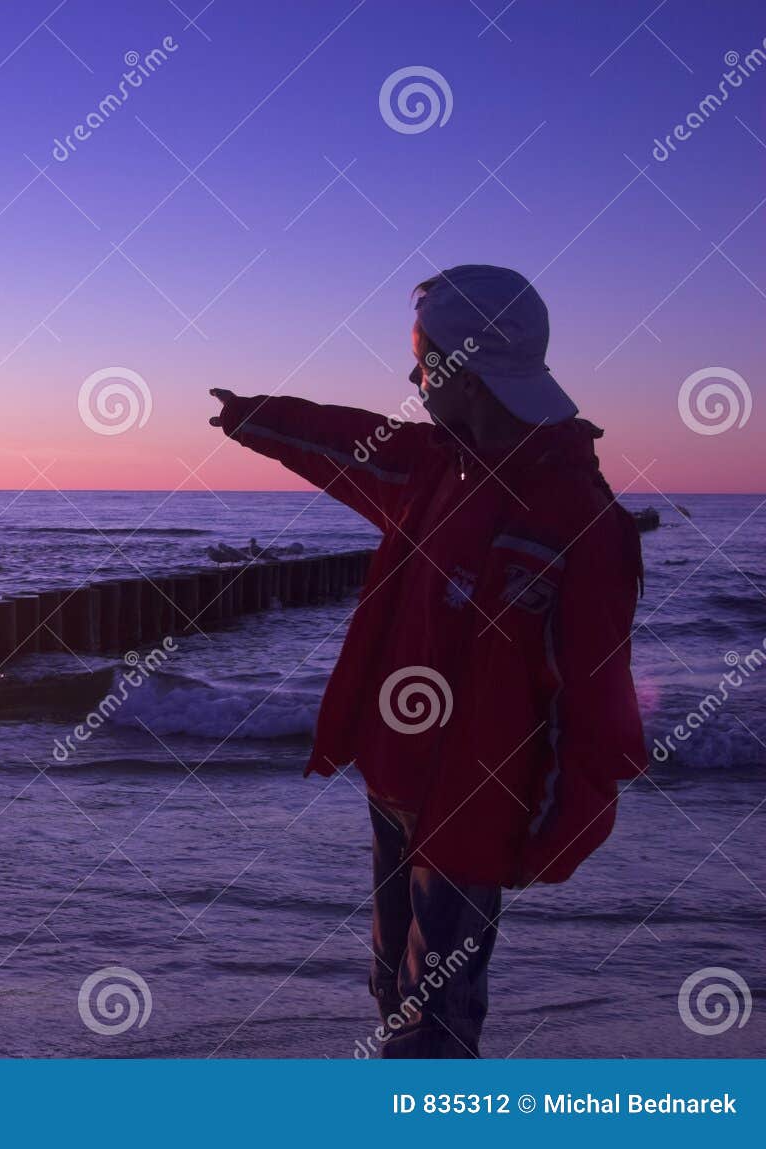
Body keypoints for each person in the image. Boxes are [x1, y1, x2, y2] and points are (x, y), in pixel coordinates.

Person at [209, 265, 645, 1058]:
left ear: (466, 375)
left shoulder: (582, 522)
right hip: (393, 788)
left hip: (471, 814)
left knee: (436, 1022)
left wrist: (547, 836)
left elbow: (598, 711)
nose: (414, 377)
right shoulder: (434, 468)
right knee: (391, 993)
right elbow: (342, 443)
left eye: (424, 360)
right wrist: (252, 417)